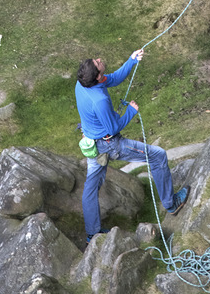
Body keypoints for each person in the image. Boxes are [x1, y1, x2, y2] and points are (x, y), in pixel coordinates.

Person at [75, 48, 189, 242]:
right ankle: (171, 203)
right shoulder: (100, 101)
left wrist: (131, 60)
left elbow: (111, 79)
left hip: (92, 144)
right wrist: (130, 111)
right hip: (109, 144)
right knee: (158, 155)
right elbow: (112, 128)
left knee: (91, 187)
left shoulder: (82, 83)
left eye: (95, 60)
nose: (99, 59)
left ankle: (92, 234)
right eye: (97, 63)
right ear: (97, 74)